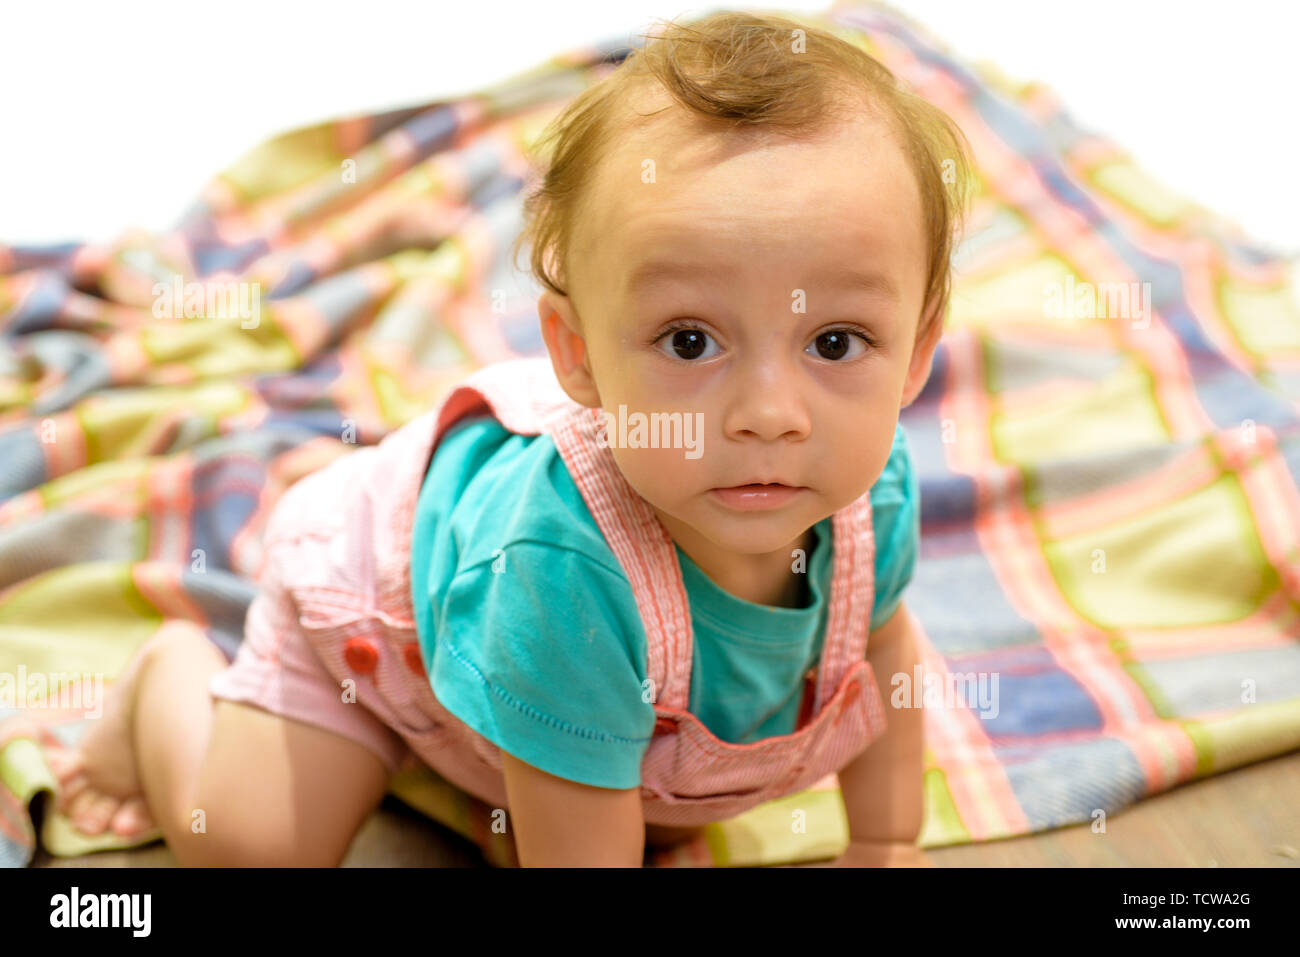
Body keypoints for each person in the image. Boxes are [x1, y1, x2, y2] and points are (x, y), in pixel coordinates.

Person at [49, 10, 971, 867]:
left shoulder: (870, 487)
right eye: (689, 341)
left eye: (836, 343)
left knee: (631, 785)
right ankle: (164, 680)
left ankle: (556, 729)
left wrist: (884, 844)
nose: (771, 412)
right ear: (577, 353)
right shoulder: (559, 570)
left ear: (916, 352)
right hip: (375, 631)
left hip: (575, 687)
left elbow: (881, 650)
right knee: (252, 849)